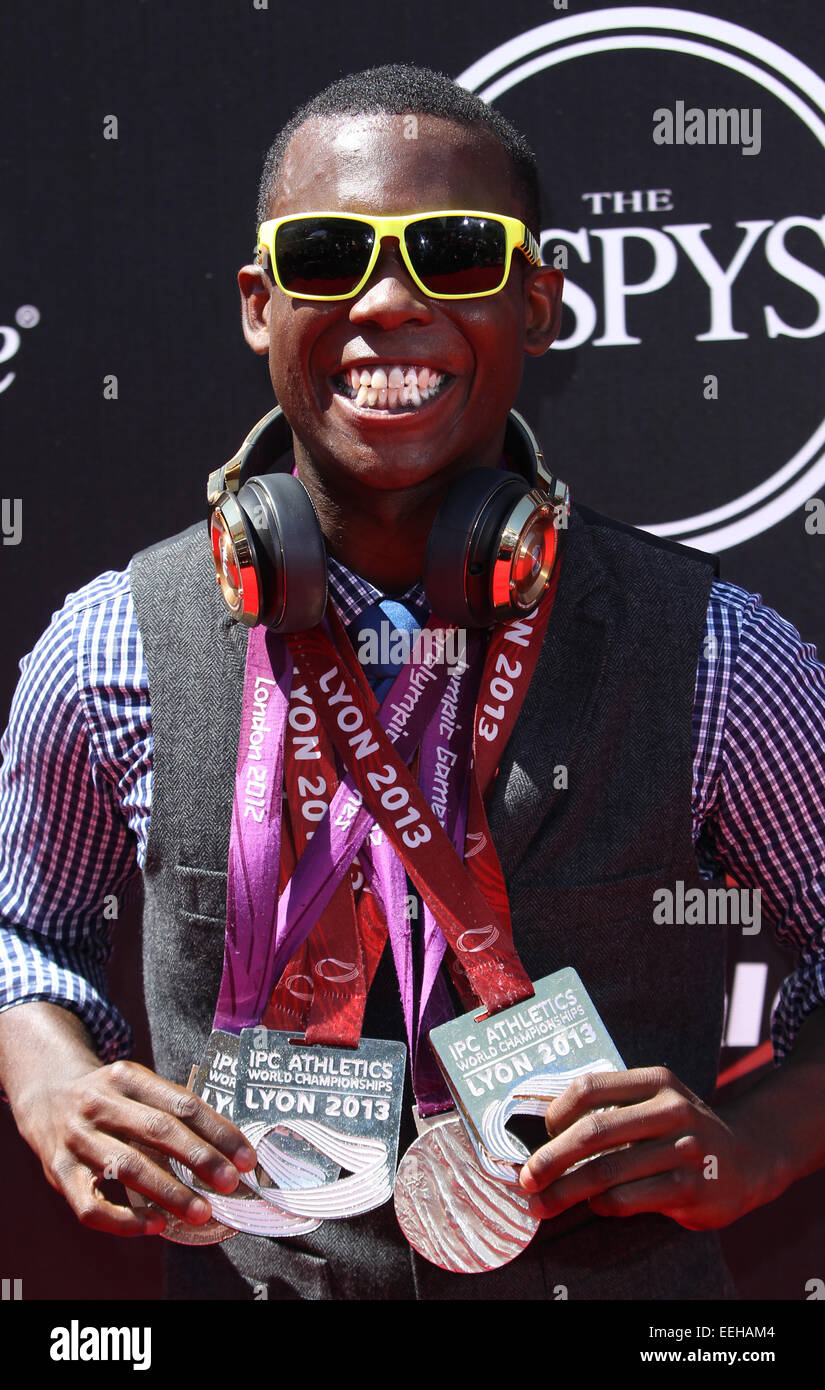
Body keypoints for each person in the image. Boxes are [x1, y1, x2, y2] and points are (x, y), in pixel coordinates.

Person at [1, 64, 824, 1302]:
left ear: (538, 304)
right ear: (257, 305)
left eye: (454, 251)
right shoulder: (109, 644)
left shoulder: (718, 653)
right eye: (330, 255)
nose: (390, 301)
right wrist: (55, 1082)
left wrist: (762, 1140)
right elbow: (27, 933)